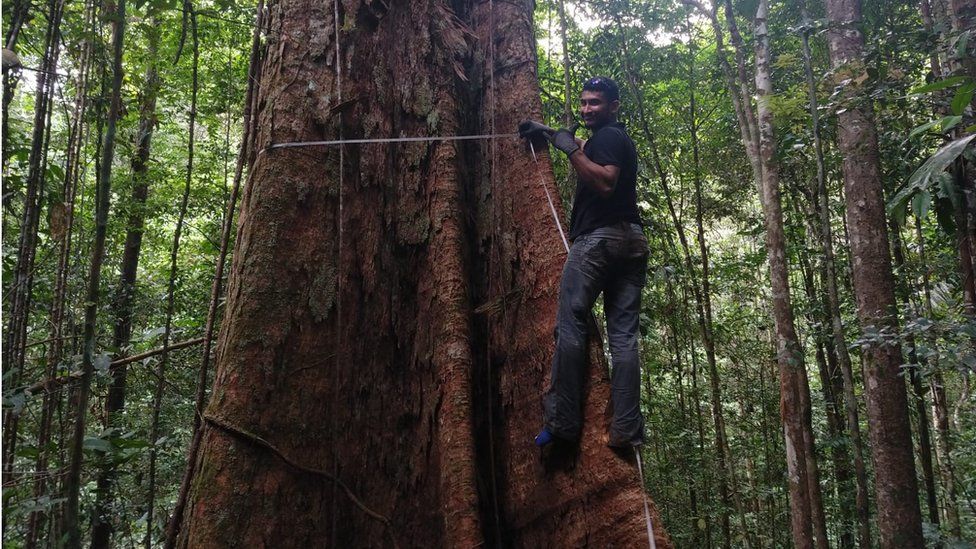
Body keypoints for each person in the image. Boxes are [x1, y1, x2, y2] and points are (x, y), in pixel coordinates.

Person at [519, 76, 648, 450]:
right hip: (632, 242)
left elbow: (605, 181)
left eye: (595, 103)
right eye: (584, 102)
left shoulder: (609, 137)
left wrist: (571, 153)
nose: (587, 108)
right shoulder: (610, 139)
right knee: (623, 338)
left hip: (599, 241)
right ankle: (625, 430)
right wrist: (552, 134)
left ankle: (562, 423)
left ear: (613, 106)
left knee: (571, 321)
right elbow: (586, 148)